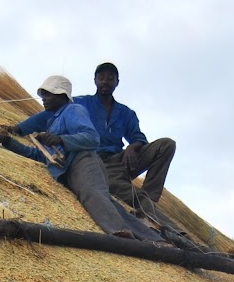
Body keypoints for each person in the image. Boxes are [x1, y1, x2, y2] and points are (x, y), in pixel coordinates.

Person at [0, 75, 161, 241]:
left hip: (83, 161)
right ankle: (153, 238)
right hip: (67, 171)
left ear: (62, 95)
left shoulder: (73, 110)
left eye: (48, 95)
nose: (44, 99)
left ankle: (120, 233)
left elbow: (92, 138)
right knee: (109, 203)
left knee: (92, 194)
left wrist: (62, 139)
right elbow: (39, 155)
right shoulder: (53, 122)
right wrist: (8, 141)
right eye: (43, 95)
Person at [75, 62, 177, 210]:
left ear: (117, 83)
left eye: (110, 78)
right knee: (117, 186)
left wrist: (132, 147)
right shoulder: (80, 103)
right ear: (95, 80)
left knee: (167, 145)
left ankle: (149, 197)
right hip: (95, 161)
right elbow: (60, 114)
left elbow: (139, 138)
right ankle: (143, 205)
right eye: (101, 77)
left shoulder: (125, 112)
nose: (105, 81)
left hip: (121, 160)